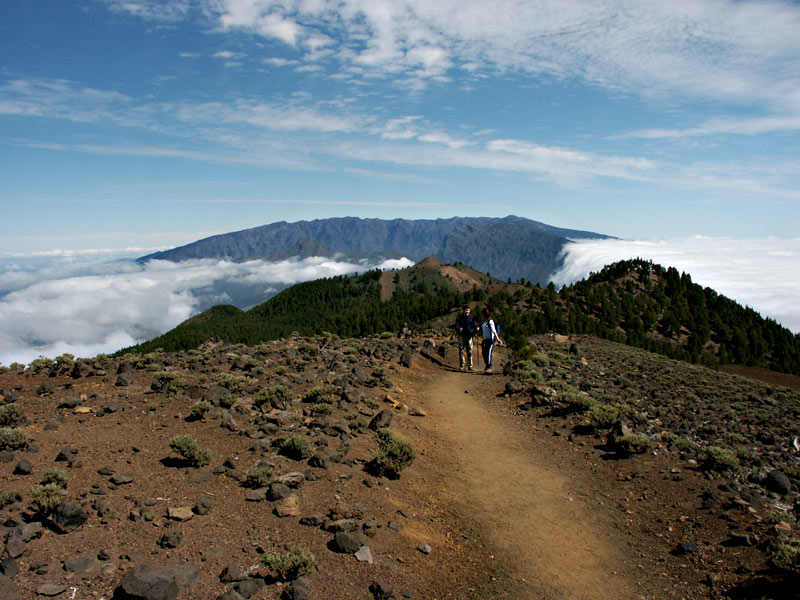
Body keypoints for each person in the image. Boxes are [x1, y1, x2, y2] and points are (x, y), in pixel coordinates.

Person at [454, 304, 478, 370]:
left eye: (468, 310)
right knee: (461, 350)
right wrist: (458, 329)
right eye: (466, 310)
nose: (467, 311)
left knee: (470, 351)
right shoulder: (459, 317)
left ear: (470, 310)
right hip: (461, 336)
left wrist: (476, 329)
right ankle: (462, 365)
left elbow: (474, 325)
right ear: (463, 311)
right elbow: (456, 326)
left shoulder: (471, 317)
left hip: (469, 336)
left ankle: (470, 366)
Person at [480, 307, 504, 373]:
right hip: (485, 339)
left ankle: (489, 366)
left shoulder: (490, 321)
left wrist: (498, 339)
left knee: (488, 352)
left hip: (491, 339)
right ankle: (487, 364)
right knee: (484, 352)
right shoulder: (484, 322)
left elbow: (494, 331)